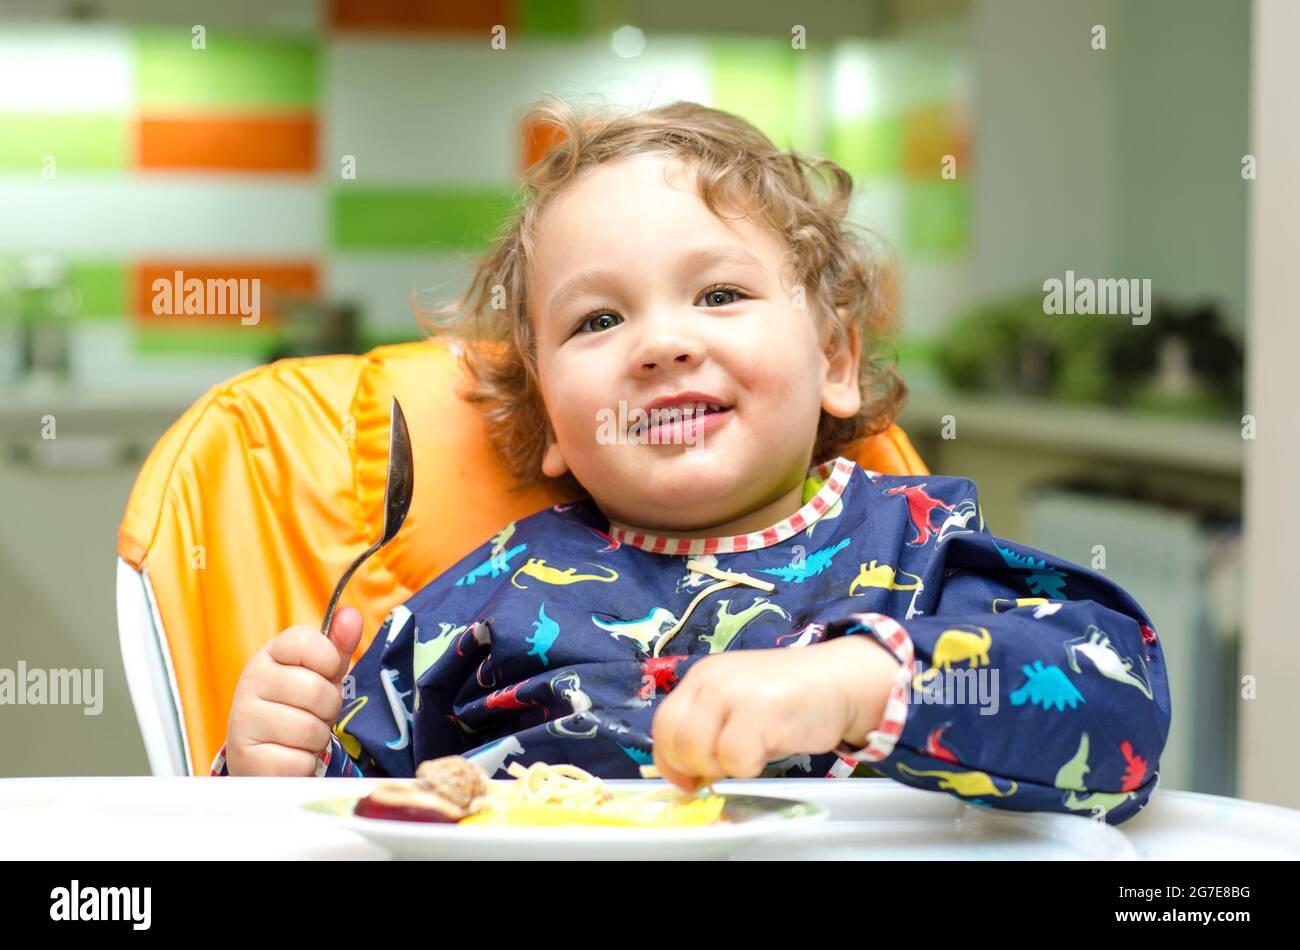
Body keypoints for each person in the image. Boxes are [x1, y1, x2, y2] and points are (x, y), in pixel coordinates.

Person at [211, 97, 1169, 825]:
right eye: (598, 319)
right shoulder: (481, 604)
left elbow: (1119, 709)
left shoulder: (917, 556)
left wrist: (858, 685)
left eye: (717, 294)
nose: (661, 343)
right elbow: (344, 826)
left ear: (833, 359)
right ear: (548, 413)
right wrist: (260, 773)